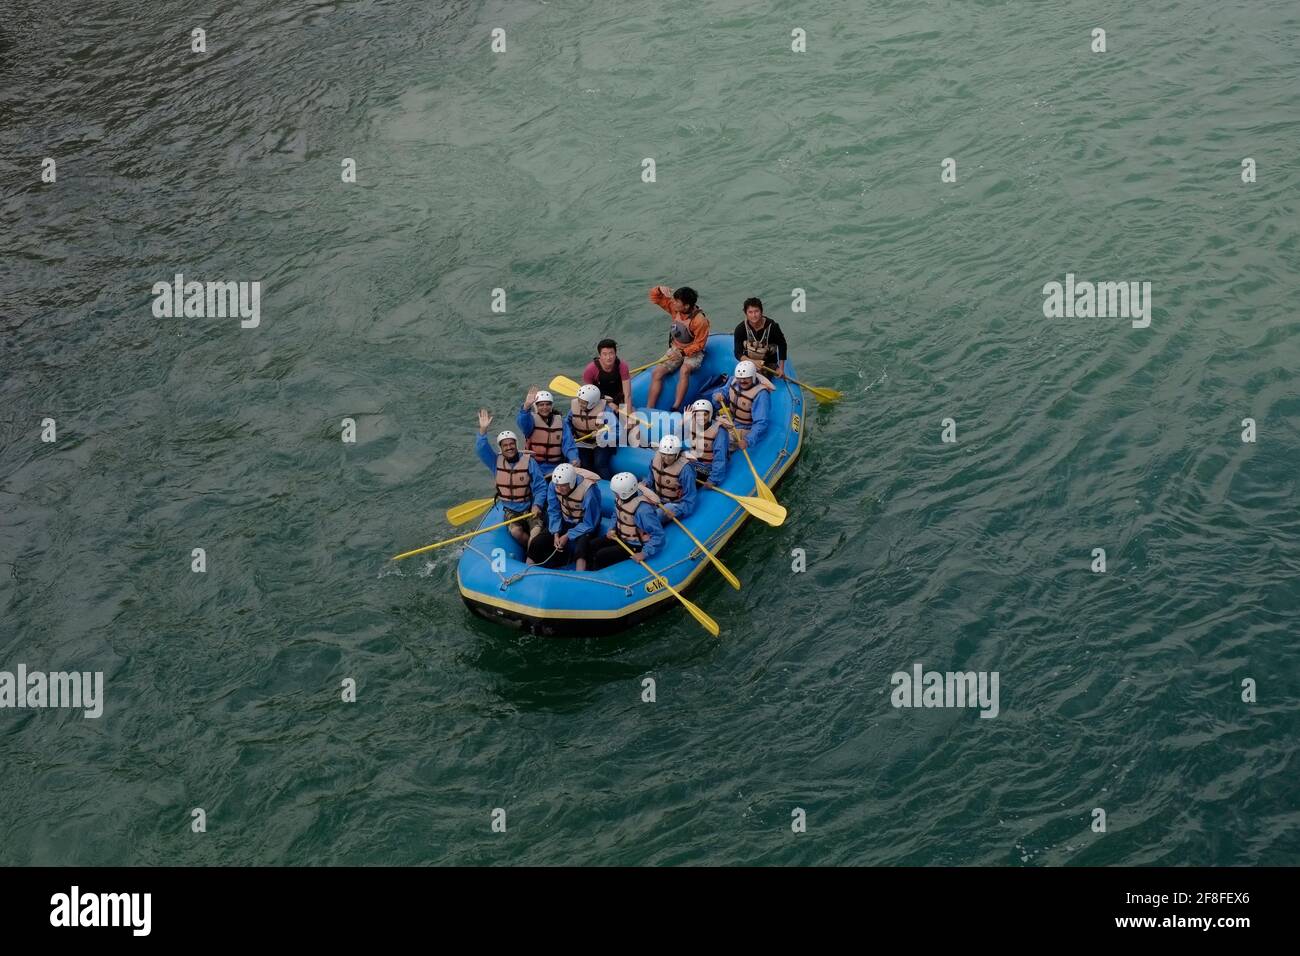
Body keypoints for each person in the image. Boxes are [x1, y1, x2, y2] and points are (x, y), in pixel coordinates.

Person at [475, 409, 547, 560]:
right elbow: (481, 449)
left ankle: (532, 557)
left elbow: (541, 487)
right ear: (500, 448)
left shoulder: (529, 462)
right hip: (511, 510)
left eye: (511, 444)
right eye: (505, 445)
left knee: (536, 532)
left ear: (516, 444)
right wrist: (483, 430)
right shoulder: (495, 462)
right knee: (515, 532)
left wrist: (537, 505)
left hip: (529, 507)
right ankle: (532, 552)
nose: (509, 447)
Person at [646, 284, 709, 412]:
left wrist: (683, 353)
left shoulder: (700, 321)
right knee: (656, 373)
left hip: (693, 352)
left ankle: (676, 405)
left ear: (686, 306)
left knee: (684, 370)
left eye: (677, 301)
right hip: (676, 348)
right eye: (674, 300)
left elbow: (700, 344)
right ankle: (649, 408)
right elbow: (654, 298)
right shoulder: (675, 308)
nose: (673, 303)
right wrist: (659, 289)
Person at [585, 472, 665, 571]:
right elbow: (616, 514)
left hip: (635, 545)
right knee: (591, 545)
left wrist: (644, 553)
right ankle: (587, 569)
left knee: (601, 555)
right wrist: (611, 528)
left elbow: (658, 534)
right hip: (620, 536)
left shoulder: (643, 511)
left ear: (623, 493)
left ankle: (596, 573)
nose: (614, 494)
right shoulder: (621, 499)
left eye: (615, 492)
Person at [540, 463, 602, 569]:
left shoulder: (589, 491)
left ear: (572, 482)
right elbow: (554, 510)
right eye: (558, 486)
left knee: (582, 547)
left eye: (563, 486)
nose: (559, 489)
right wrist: (555, 533)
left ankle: (580, 573)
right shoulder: (553, 485)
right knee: (539, 541)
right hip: (566, 518)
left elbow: (590, 523)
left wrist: (567, 535)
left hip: (585, 523)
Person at [712, 360, 770, 452]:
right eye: (740, 378)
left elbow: (761, 422)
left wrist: (748, 440)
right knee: (709, 432)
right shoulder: (733, 380)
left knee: (719, 440)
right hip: (730, 419)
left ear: (753, 377)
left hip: (745, 427)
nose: (742, 381)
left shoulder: (761, 394)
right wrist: (718, 395)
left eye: (746, 378)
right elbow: (723, 391)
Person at [516, 388, 575, 476]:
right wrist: (526, 407)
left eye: (548, 404)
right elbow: (522, 423)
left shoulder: (561, 422)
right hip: (534, 466)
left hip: (556, 466)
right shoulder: (530, 421)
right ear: (536, 407)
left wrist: (573, 458)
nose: (545, 407)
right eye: (541, 405)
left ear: (551, 406)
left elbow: (568, 444)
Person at [565, 384, 616, 479]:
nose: (580, 405)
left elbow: (615, 429)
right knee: (584, 464)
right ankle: (590, 481)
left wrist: (602, 434)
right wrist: (569, 436)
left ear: (593, 402)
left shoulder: (606, 410)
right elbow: (567, 424)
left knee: (600, 464)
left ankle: (606, 482)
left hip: (600, 443)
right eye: (579, 401)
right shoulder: (574, 409)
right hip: (581, 442)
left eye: (584, 403)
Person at [641, 434, 697, 519]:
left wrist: (678, 511)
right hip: (656, 498)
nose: (667, 458)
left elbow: (690, 498)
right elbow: (650, 477)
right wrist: (646, 484)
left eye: (670, 455)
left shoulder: (686, 470)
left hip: (674, 504)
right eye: (664, 454)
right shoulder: (656, 458)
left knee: (656, 515)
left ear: (677, 454)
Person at [733, 297, 789, 379]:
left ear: (761, 312)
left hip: (768, 364)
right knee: (743, 379)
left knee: (760, 379)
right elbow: (738, 353)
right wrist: (753, 362)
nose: (754, 315)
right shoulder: (740, 329)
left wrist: (781, 368)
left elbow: (782, 345)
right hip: (748, 361)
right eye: (750, 312)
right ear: (745, 313)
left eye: (756, 311)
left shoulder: (773, 326)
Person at [684, 398, 728, 488]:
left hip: (707, 468)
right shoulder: (691, 423)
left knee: (687, 479)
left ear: (710, 414)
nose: (701, 418)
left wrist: (713, 479)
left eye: (705, 414)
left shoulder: (719, 432)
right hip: (692, 462)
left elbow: (720, 457)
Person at [582, 338, 634, 414]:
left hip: (619, 398)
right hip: (600, 400)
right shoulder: (590, 370)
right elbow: (589, 395)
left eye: (611, 353)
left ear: (615, 354)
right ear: (600, 355)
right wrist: (608, 403)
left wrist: (629, 415)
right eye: (605, 354)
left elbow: (627, 395)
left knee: (627, 419)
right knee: (609, 415)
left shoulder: (622, 366)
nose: (608, 357)